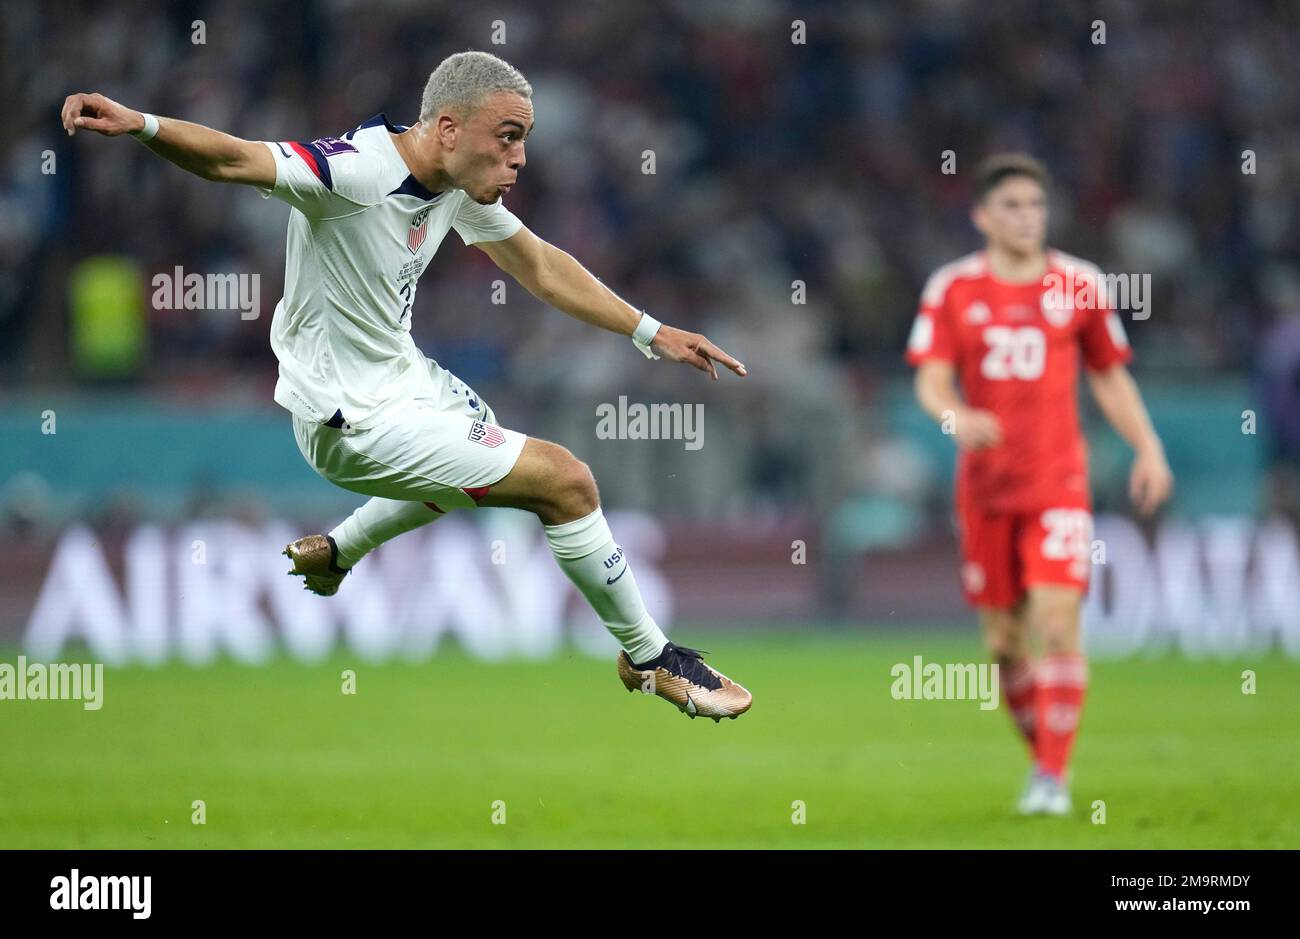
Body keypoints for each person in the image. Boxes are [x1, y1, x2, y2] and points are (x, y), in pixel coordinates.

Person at [60, 50, 751, 722]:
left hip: (410, 387)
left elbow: (538, 265)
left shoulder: (452, 185)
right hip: (347, 419)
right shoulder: (354, 172)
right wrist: (142, 124)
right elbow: (234, 157)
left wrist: (651, 331)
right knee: (564, 481)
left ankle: (338, 552)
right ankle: (650, 653)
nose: (520, 158)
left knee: (483, 458)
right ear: (448, 128)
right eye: (507, 137)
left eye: (525, 140)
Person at [906, 153, 1173, 813]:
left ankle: (1052, 777)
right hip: (986, 489)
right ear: (982, 216)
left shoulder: (1078, 284)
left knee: (1058, 621)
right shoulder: (952, 288)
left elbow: (1109, 374)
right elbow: (931, 375)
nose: (1027, 217)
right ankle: (1044, 759)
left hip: (1058, 481)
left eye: (1036, 205)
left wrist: (1147, 446)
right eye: (1012, 206)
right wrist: (953, 413)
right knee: (1003, 645)